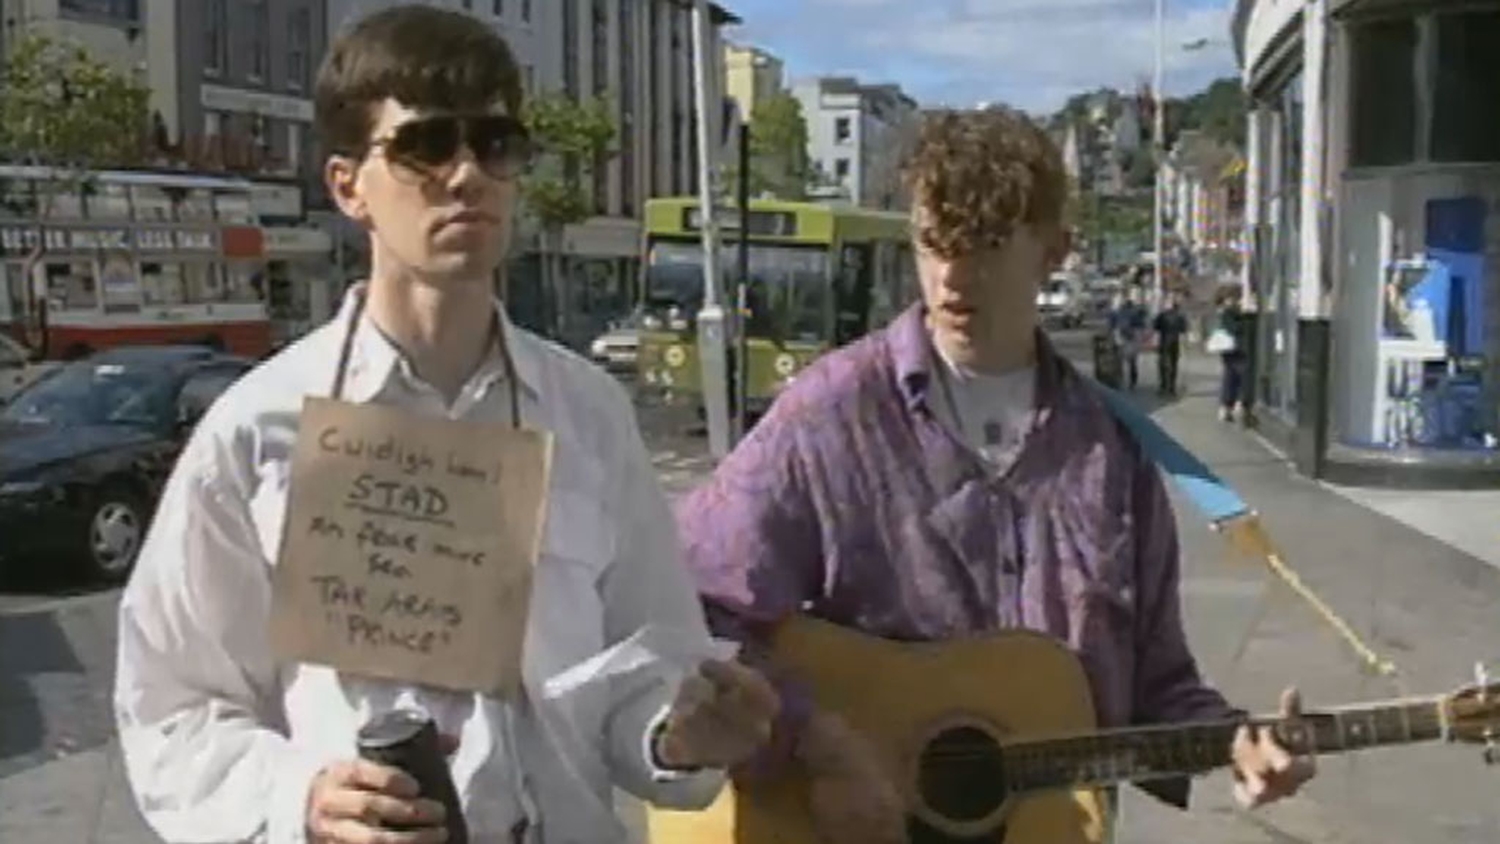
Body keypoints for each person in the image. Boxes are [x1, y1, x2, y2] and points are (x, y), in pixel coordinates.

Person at [114, 7, 777, 844]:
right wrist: (302, 800)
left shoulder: (590, 415)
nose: (467, 175)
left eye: (495, 144)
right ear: (347, 185)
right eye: (426, 146)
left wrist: (680, 737)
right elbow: (172, 703)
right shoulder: (257, 431)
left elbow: (650, 668)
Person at [675, 107, 1313, 844]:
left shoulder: (1116, 452)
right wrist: (817, 745)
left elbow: (1156, 682)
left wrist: (1237, 743)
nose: (950, 276)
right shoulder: (831, 414)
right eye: (933, 244)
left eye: (984, 245)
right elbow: (694, 610)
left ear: (1054, 250)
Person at [1214, 289, 1251, 423]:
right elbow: (1233, 328)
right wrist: (1243, 321)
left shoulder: (1226, 313)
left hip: (1231, 351)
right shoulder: (1229, 313)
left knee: (1230, 378)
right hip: (1235, 351)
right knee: (1235, 378)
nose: (1236, 301)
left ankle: (1228, 407)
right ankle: (1232, 406)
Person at [1108, 287, 1148, 389]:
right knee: (1130, 361)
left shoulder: (1119, 311)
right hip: (1129, 336)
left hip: (1123, 336)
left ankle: (1123, 380)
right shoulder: (1132, 310)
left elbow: (1111, 323)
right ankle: (1131, 381)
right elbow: (1140, 323)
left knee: (1121, 360)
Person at [1153, 293, 1190, 396]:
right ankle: (1165, 386)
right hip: (1165, 342)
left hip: (1171, 342)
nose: (1170, 303)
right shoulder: (1163, 315)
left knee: (1171, 365)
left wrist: (1184, 343)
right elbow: (1156, 327)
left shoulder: (1177, 315)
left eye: (1171, 301)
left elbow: (1183, 330)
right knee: (1164, 365)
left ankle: (1169, 386)